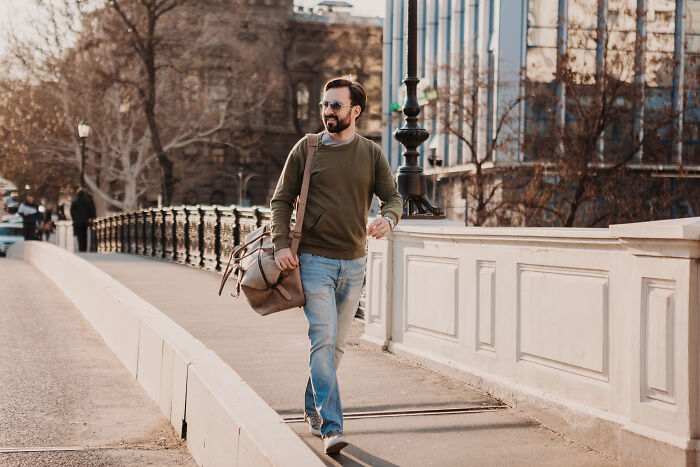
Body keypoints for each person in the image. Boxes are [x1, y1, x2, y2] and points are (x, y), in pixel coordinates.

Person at [271, 77, 402, 455]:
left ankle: (313, 406)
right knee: (323, 339)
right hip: (312, 261)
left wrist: (388, 219)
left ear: (355, 111)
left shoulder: (371, 153)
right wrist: (282, 245)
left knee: (337, 345)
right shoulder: (307, 148)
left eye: (335, 105)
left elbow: (392, 196)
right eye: (324, 105)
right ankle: (332, 428)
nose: (328, 111)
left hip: (355, 264)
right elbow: (281, 200)